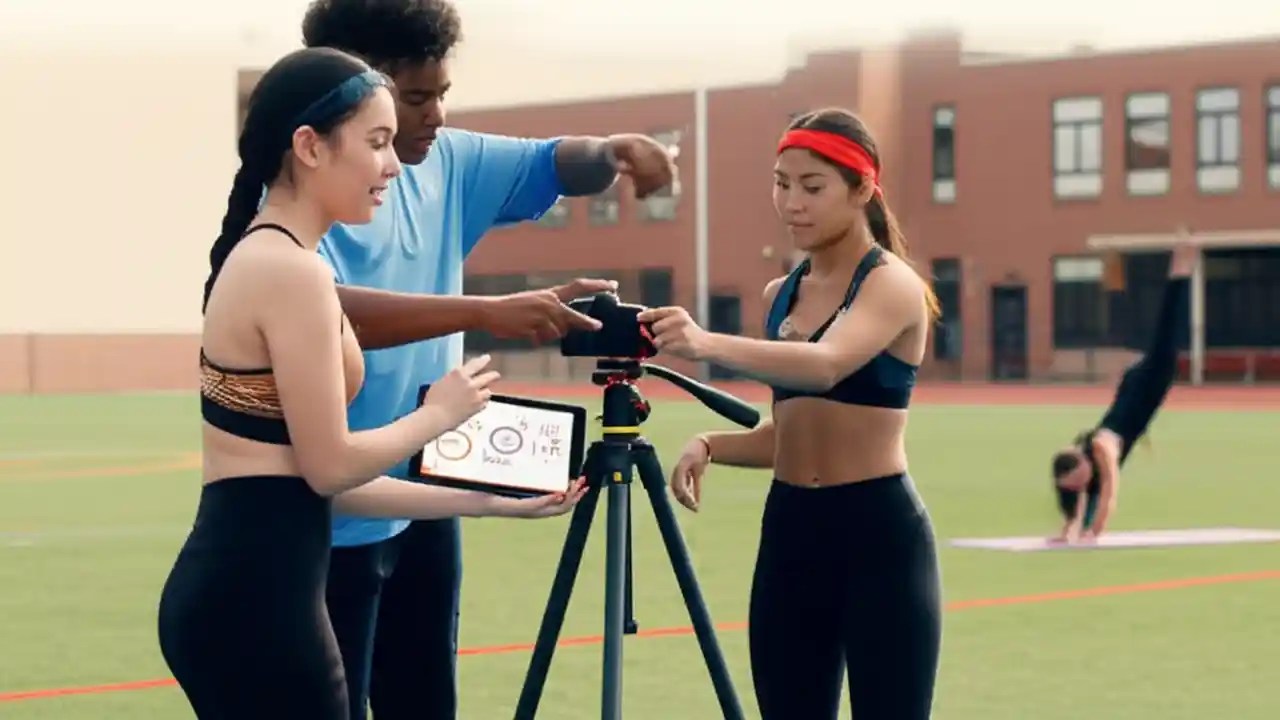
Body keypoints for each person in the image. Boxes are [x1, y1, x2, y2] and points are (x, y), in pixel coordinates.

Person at [155, 46, 586, 720]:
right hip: (256, 607)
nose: (393, 164)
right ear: (310, 146)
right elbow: (331, 467)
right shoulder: (289, 272)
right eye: (377, 142)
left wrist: (490, 501)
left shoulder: (284, 262)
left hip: (250, 594)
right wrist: (439, 415)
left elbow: (304, 484)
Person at [297, 2, 679, 718]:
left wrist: (617, 149)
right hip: (324, 522)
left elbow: (554, 161)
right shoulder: (289, 196)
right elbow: (312, 311)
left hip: (423, 501)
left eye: (442, 95)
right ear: (353, 95)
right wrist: (485, 313)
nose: (437, 115)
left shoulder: (445, 160)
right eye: (416, 99)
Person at [638, 108, 942, 720]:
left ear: (861, 190)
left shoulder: (892, 285)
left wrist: (706, 343)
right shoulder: (782, 295)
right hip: (792, 533)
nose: (791, 203)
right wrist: (711, 444)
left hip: (878, 535)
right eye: (781, 183)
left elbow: (827, 364)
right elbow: (798, 432)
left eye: (812, 186)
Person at [1049, 238, 1198, 544]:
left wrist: (1093, 532)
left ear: (1082, 462)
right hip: (1131, 387)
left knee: (1167, 336)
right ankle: (1180, 268)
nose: (1080, 486)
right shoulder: (1079, 460)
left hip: (1146, 385)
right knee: (1164, 339)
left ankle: (1181, 268)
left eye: (1078, 480)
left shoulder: (1102, 450)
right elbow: (1081, 497)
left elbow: (1108, 495)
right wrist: (1067, 532)